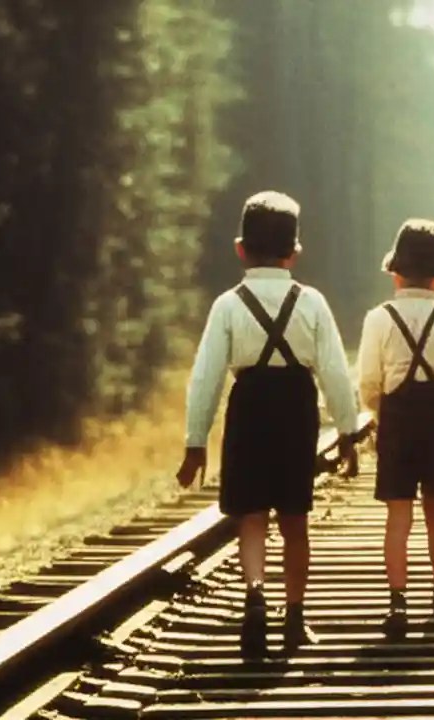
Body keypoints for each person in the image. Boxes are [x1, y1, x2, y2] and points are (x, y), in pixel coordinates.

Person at [177, 191, 360, 656]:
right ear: (294, 253)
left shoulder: (228, 304)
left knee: (252, 514)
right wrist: (346, 430)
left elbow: (206, 376)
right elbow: (335, 372)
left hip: (249, 405)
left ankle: (255, 594)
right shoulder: (311, 302)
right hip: (296, 407)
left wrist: (195, 440)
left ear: (240, 249)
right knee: (295, 518)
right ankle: (294, 616)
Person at [358, 219, 434, 640]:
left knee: (398, 513)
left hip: (398, 417)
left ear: (395, 272)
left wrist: (379, 415)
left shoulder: (379, 318)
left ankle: (397, 600)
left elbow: (368, 380)